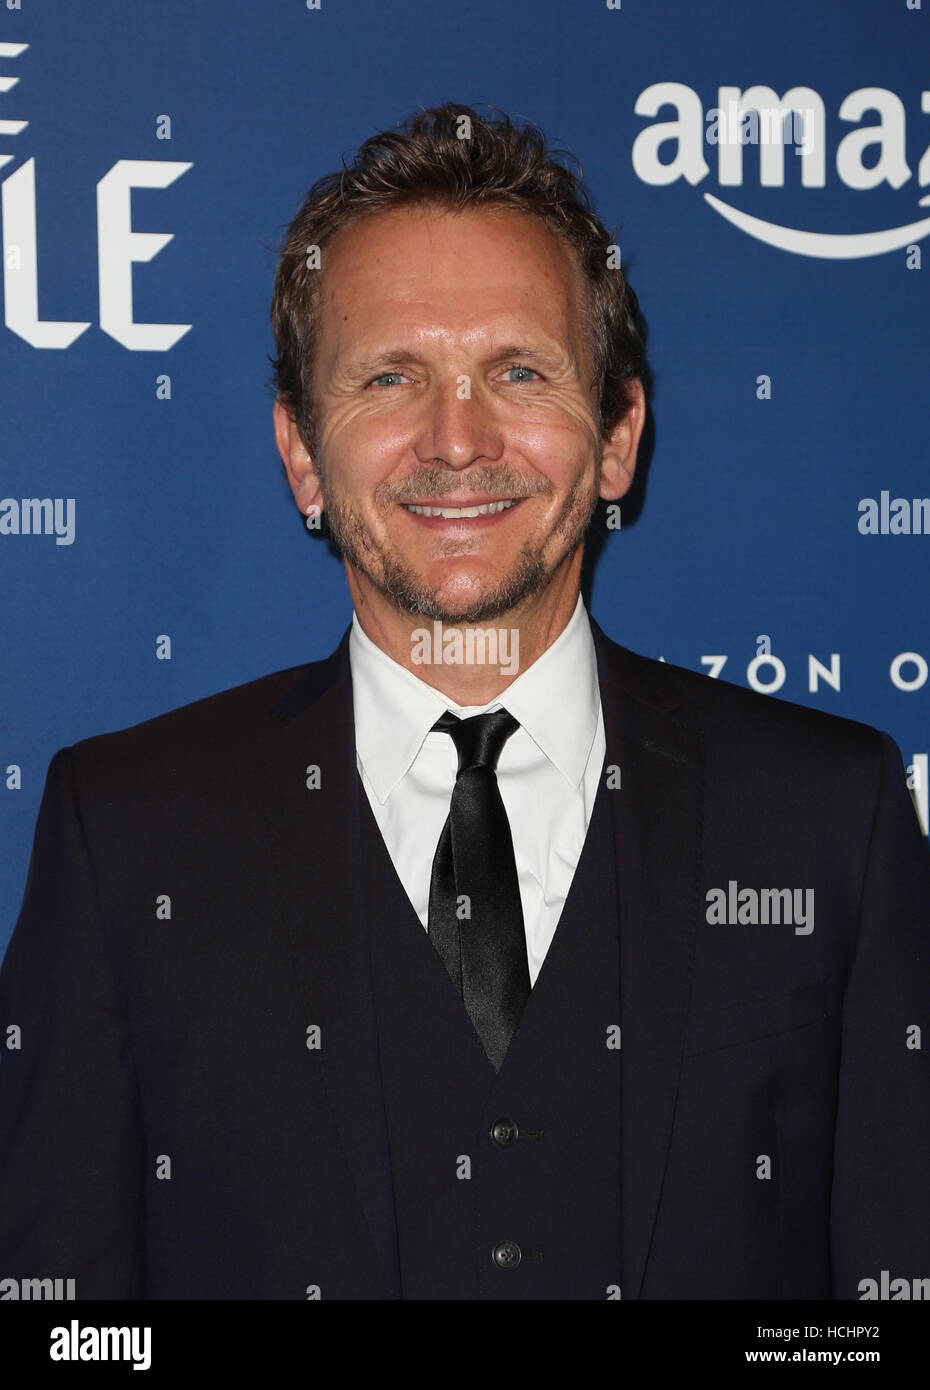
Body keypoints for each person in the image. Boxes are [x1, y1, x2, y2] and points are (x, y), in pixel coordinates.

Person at [0, 103, 927, 1301]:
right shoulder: (124, 828)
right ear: (300, 455)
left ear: (618, 440)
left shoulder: (825, 813)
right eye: (393, 375)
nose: (458, 437)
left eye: (519, 371)